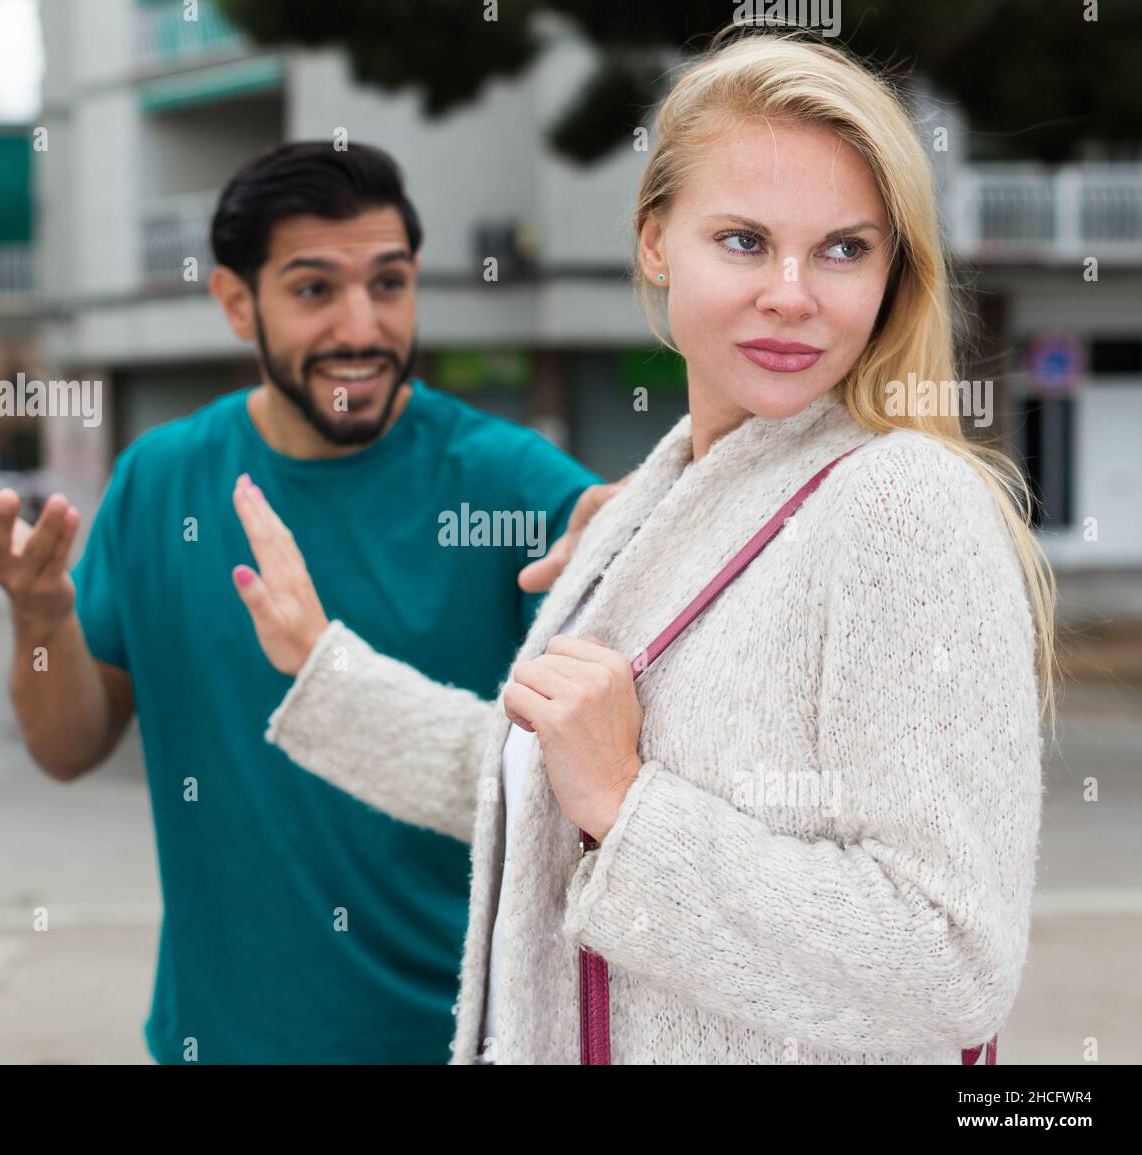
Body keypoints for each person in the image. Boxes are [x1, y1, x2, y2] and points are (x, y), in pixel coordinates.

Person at [235, 32, 1055, 1064]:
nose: (792, 295)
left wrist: (628, 807)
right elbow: (540, 794)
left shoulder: (902, 505)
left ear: (892, 273)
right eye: (744, 241)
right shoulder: (659, 495)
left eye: (844, 248)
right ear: (654, 244)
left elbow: (947, 966)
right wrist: (327, 671)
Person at [0, 141, 620, 1063]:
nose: (362, 325)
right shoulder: (160, 481)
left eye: (389, 284)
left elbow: (608, 573)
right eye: (315, 289)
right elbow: (69, 746)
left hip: (462, 1042)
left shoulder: (506, 482)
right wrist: (39, 614)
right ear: (236, 303)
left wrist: (641, 529)